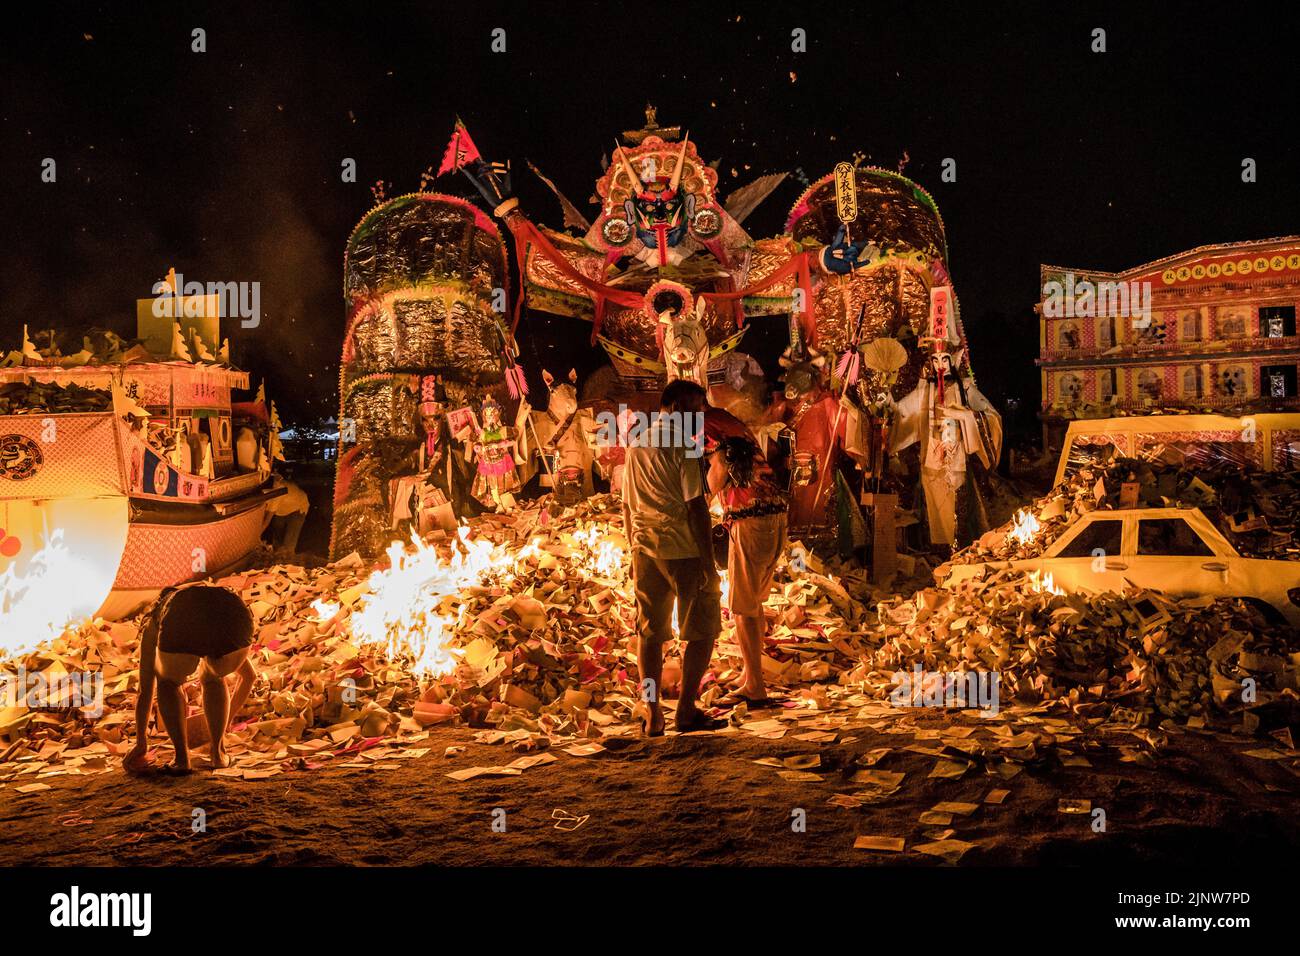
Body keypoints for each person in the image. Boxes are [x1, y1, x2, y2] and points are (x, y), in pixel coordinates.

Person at [621, 380, 724, 735]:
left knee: (649, 634)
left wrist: (632, 548)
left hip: (645, 549)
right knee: (701, 630)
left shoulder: (637, 443)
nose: (700, 415)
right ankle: (685, 709)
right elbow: (695, 507)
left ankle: (652, 713)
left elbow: (626, 505)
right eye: (697, 408)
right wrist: (710, 566)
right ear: (679, 408)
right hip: (684, 550)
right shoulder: (683, 445)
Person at [125, 584, 258, 774]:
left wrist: (141, 744)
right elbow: (249, 677)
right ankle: (219, 754)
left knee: (168, 683)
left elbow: (145, 691)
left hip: (182, 618)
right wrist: (225, 723)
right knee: (213, 676)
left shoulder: (158, 617)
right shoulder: (210, 605)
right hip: (235, 616)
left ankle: (181, 759)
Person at [705, 419, 789, 708]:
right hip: (775, 523)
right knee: (753, 604)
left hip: (751, 525)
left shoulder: (719, 445)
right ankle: (750, 673)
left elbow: (711, 486)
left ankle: (755, 685)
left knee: (741, 607)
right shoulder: (745, 440)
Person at [264, 476, 310, 553]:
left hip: (298, 508)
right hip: (283, 508)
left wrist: (255, 538)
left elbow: (266, 521)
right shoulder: (266, 491)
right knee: (277, 538)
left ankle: (288, 558)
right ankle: (277, 557)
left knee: (289, 541)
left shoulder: (278, 491)